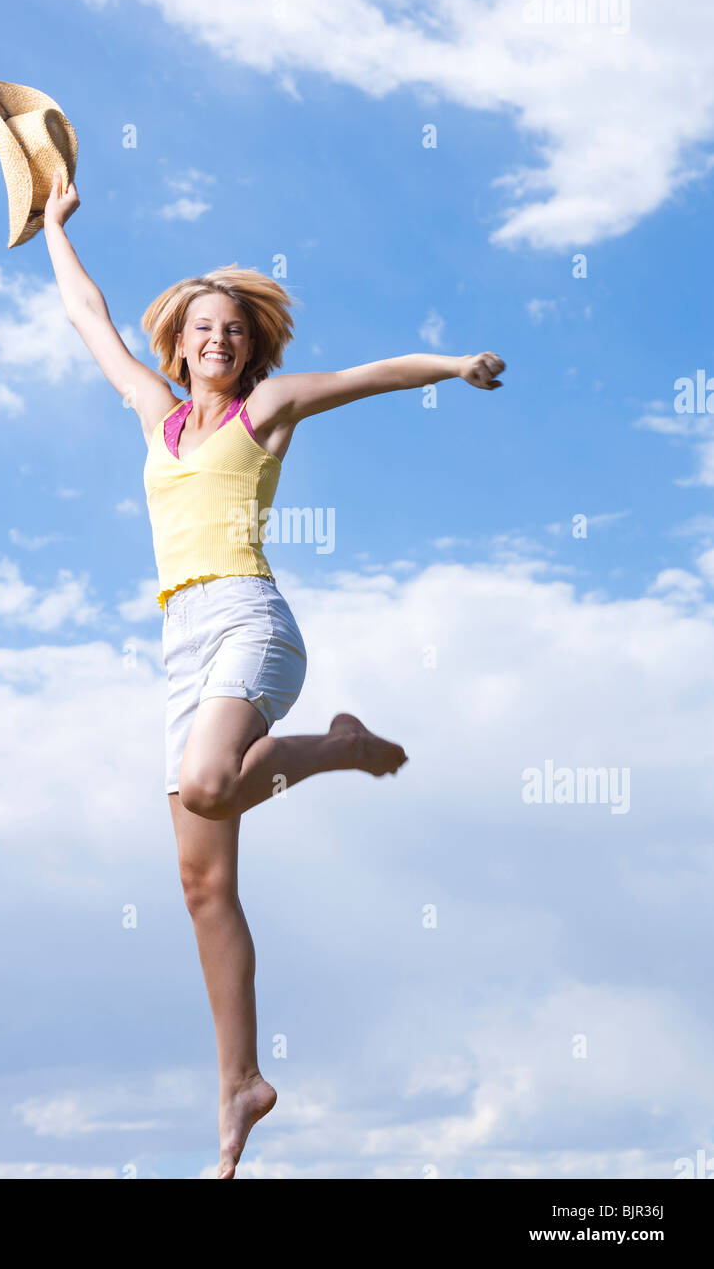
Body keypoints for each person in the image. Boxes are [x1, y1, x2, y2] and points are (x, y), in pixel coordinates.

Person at [43, 172, 505, 1178]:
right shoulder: (151, 410)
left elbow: (373, 374)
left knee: (208, 782)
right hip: (178, 646)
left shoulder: (267, 410)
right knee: (199, 881)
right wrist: (50, 223)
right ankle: (239, 1086)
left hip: (250, 621)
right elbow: (86, 313)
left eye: (234, 330)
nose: (219, 339)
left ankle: (337, 747)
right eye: (202, 328)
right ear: (178, 344)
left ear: (249, 347)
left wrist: (455, 363)